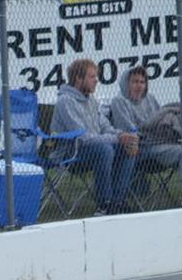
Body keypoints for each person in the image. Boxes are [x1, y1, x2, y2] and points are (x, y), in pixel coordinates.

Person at [50, 57, 137, 214]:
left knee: (126, 146)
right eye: (92, 77)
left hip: (94, 149)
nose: (96, 80)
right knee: (105, 149)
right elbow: (83, 138)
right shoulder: (65, 101)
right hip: (71, 152)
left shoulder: (92, 101)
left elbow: (105, 126)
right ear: (78, 78)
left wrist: (123, 135)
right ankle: (105, 204)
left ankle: (118, 201)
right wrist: (117, 138)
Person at [104, 65, 182, 204]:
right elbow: (130, 131)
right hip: (138, 149)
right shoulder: (119, 101)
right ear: (126, 83)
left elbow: (161, 120)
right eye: (135, 82)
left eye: (142, 82)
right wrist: (150, 131)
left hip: (159, 144)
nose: (139, 86)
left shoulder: (150, 99)